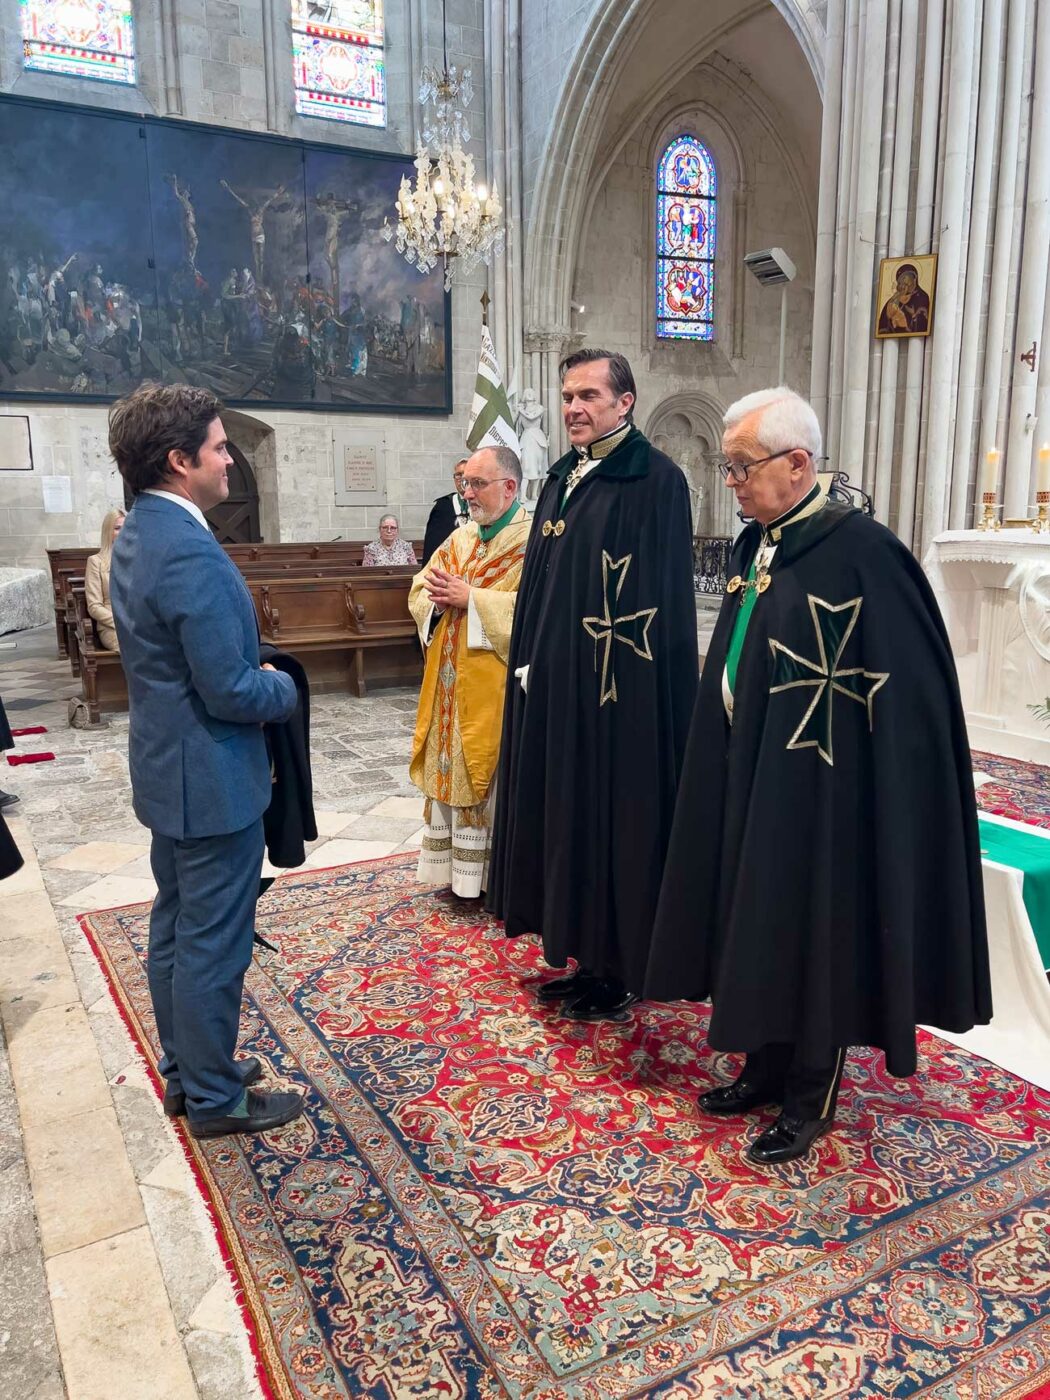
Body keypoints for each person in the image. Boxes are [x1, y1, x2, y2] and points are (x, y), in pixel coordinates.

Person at [646, 387, 991, 1165]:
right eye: (728, 466)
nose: (731, 482)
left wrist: (871, 782)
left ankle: (809, 1097)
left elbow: (910, 691)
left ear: (797, 463)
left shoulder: (864, 554)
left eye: (742, 466)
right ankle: (763, 1066)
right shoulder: (759, 545)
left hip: (825, 784)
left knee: (816, 933)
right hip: (748, 764)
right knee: (755, 917)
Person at [108, 382, 304, 1140]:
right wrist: (283, 685)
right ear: (178, 459)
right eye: (219, 449)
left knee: (176, 927)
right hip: (210, 779)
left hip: (169, 768)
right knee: (212, 944)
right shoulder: (189, 549)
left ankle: (188, 1070)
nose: (228, 461)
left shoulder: (139, 530)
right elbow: (229, 689)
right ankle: (217, 1098)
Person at [487, 349, 698, 1021]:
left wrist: (617, 683)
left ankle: (621, 967)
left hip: (617, 693)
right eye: (567, 396)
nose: (573, 407)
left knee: (615, 826)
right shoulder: (561, 476)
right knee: (568, 820)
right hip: (554, 690)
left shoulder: (655, 480)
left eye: (588, 396)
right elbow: (545, 589)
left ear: (624, 402)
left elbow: (658, 601)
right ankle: (583, 954)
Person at [410, 447, 530, 898]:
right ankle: (455, 875)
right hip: (447, 680)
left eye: (478, 484)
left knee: (488, 772)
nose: (468, 493)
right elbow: (420, 587)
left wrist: (473, 599)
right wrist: (438, 601)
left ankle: (490, 878)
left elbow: (538, 609)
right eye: (466, 484)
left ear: (510, 487)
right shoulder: (460, 538)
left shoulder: (533, 540)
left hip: (494, 685)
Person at [84, 508, 125, 651]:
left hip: (139, 623)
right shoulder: (96, 562)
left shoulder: (137, 560)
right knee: (134, 648)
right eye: (117, 528)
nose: (123, 532)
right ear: (108, 532)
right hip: (111, 627)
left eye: (126, 528)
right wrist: (122, 623)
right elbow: (94, 606)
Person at [422, 459, 470, 563]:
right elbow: (432, 544)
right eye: (458, 475)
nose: (462, 478)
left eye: (465, 473)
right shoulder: (443, 506)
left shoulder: (484, 504)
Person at [877, 262, 931, 336]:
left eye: (904, 278)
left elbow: (922, 323)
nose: (902, 282)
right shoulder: (895, 298)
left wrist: (914, 315)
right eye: (900, 281)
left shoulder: (922, 296)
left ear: (914, 278)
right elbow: (883, 322)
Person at [516, 387, 549, 504]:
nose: (529, 394)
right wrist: (516, 411)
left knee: (538, 467)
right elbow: (515, 423)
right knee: (526, 468)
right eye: (527, 392)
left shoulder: (539, 408)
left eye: (531, 392)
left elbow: (532, 417)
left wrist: (521, 411)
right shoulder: (521, 409)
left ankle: (534, 494)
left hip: (538, 438)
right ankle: (523, 495)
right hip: (526, 438)